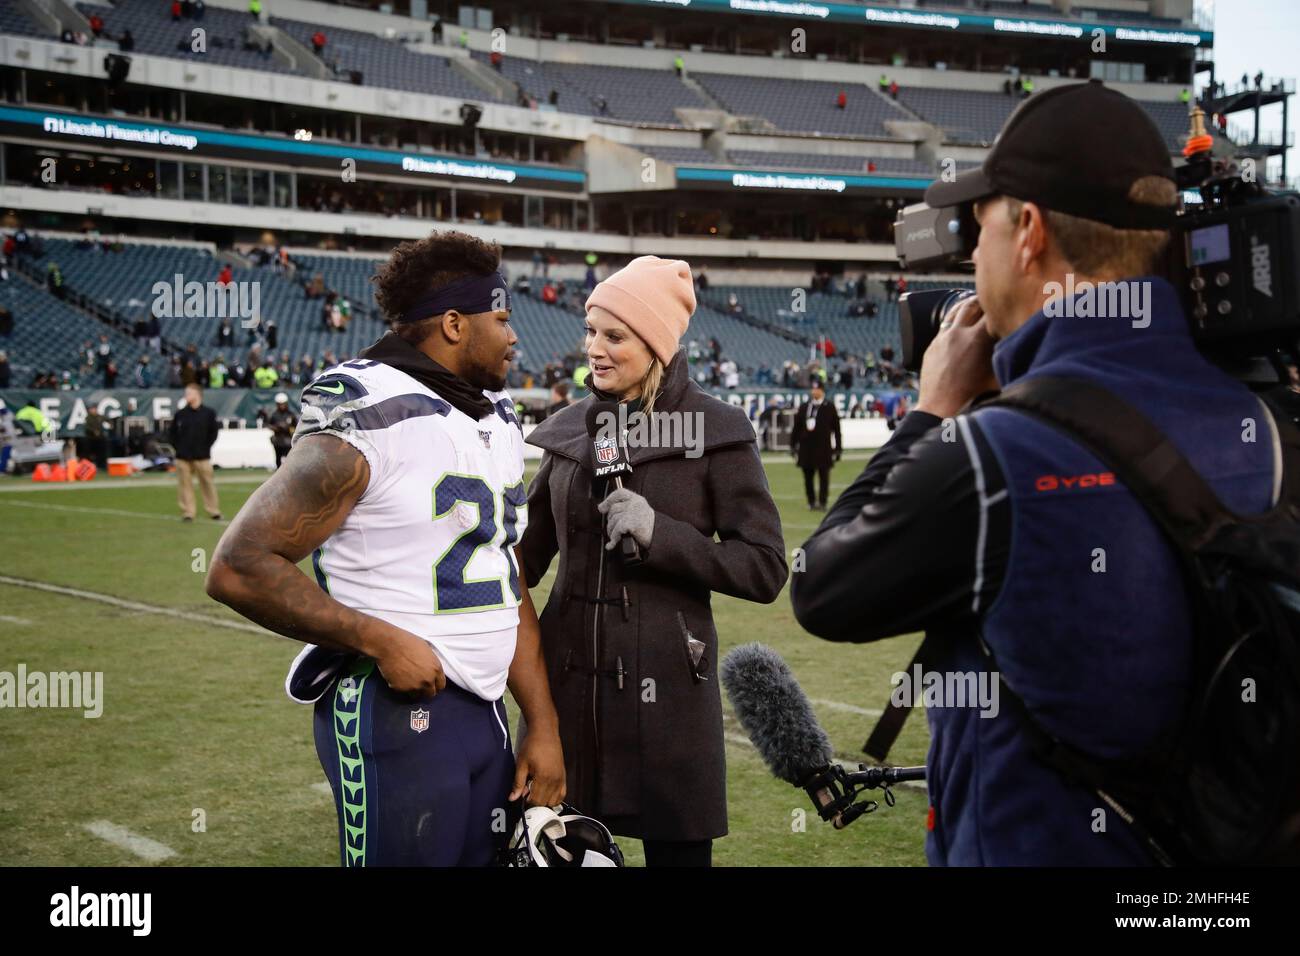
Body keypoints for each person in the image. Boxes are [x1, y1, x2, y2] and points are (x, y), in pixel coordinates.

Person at [790, 80, 1279, 865]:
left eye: (976, 226)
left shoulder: (997, 454)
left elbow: (821, 585)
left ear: (1028, 232)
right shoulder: (1271, 423)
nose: (969, 255)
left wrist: (933, 410)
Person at [205, 230, 564, 867]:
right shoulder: (371, 411)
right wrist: (380, 639)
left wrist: (542, 721)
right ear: (455, 324)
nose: (514, 338)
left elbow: (504, 576)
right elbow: (239, 565)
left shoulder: (496, 416)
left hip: (485, 717)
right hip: (393, 709)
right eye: (502, 319)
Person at [520, 256, 787, 868]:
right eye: (590, 332)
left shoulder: (718, 430)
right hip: (568, 709)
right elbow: (521, 561)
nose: (595, 349)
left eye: (614, 336)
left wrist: (662, 534)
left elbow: (767, 567)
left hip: (670, 711)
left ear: (657, 344)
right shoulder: (566, 432)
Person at [169, 383, 221, 522]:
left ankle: (213, 510)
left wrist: (206, 447)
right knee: (185, 486)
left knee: (208, 484)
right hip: (183, 457)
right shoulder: (180, 414)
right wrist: (178, 448)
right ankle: (188, 512)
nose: (186, 396)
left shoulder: (209, 413)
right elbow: (172, 434)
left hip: (202, 456)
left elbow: (213, 433)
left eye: (189, 393)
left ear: (197, 394)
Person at [790, 381, 841, 510]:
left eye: (817, 389)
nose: (814, 392)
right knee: (808, 477)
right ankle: (811, 501)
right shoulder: (804, 407)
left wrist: (839, 448)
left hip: (824, 449)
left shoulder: (829, 407)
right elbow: (796, 428)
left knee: (824, 477)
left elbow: (837, 429)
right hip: (807, 449)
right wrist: (792, 445)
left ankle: (823, 502)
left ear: (822, 391)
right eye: (813, 389)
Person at [266, 391, 296, 469]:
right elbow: (269, 425)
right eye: (280, 404)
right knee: (278, 459)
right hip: (278, 440)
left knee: (289, 459)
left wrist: (288, 428)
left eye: (283, 404)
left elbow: (295, 426)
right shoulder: (274, 415)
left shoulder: (291, 414)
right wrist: (276, 427)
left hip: (288, 440)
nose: (282, 406)